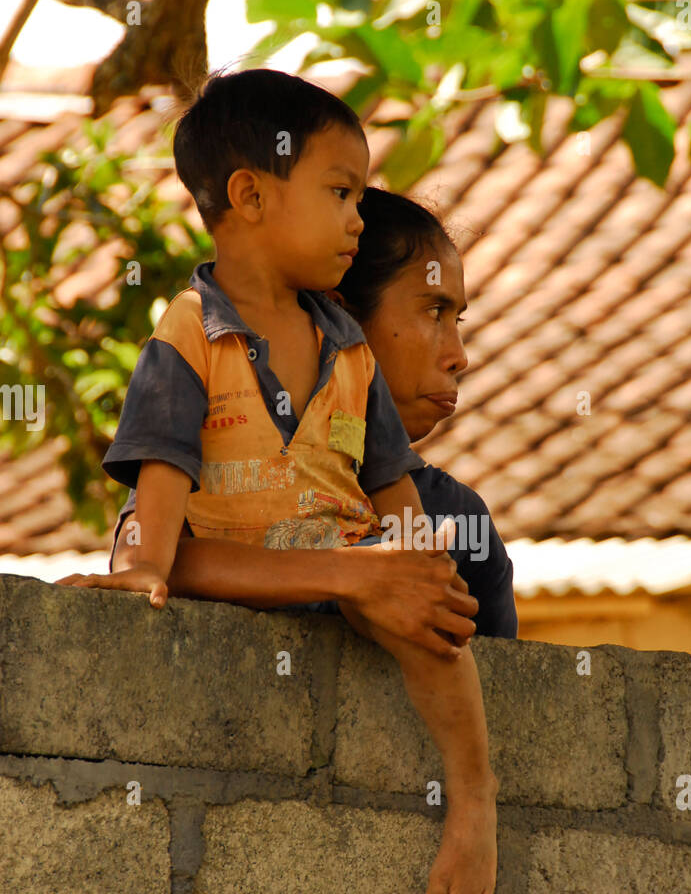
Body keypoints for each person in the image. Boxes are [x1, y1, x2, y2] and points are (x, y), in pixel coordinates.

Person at [57, 67, 496, 894]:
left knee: (426, 612)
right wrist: (144, 566)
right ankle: (360, 583)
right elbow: (161, 485)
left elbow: (391, 486)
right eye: (341, 192)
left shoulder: (350, 350)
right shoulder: (190, 330)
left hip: (338, 553)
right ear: (251, 196)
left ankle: (475, 800)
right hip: (216, 551)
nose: (357, 221)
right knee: (232, 565)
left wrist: (416, 570)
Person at [109, 186, 518, 638]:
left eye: (455, 319)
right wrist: (351, 573)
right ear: (338, 322)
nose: (459, 356)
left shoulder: (457, 520)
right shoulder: (199, 467)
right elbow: (146, 561)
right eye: (434, 310)